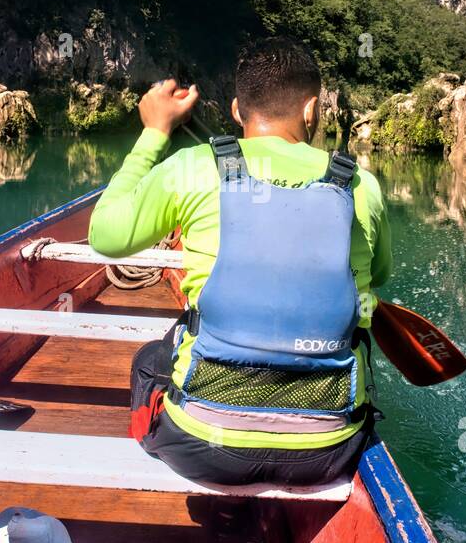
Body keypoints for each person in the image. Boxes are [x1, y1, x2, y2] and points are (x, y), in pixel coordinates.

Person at [88, 36, 392, 486]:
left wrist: (154, 132)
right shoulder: (360, 185)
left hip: (203, 450)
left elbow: (105, 235)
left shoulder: (194, 166)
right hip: (330, 451)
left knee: (149, 360)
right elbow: (379, 277)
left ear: (236, 110)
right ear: (312, 111)